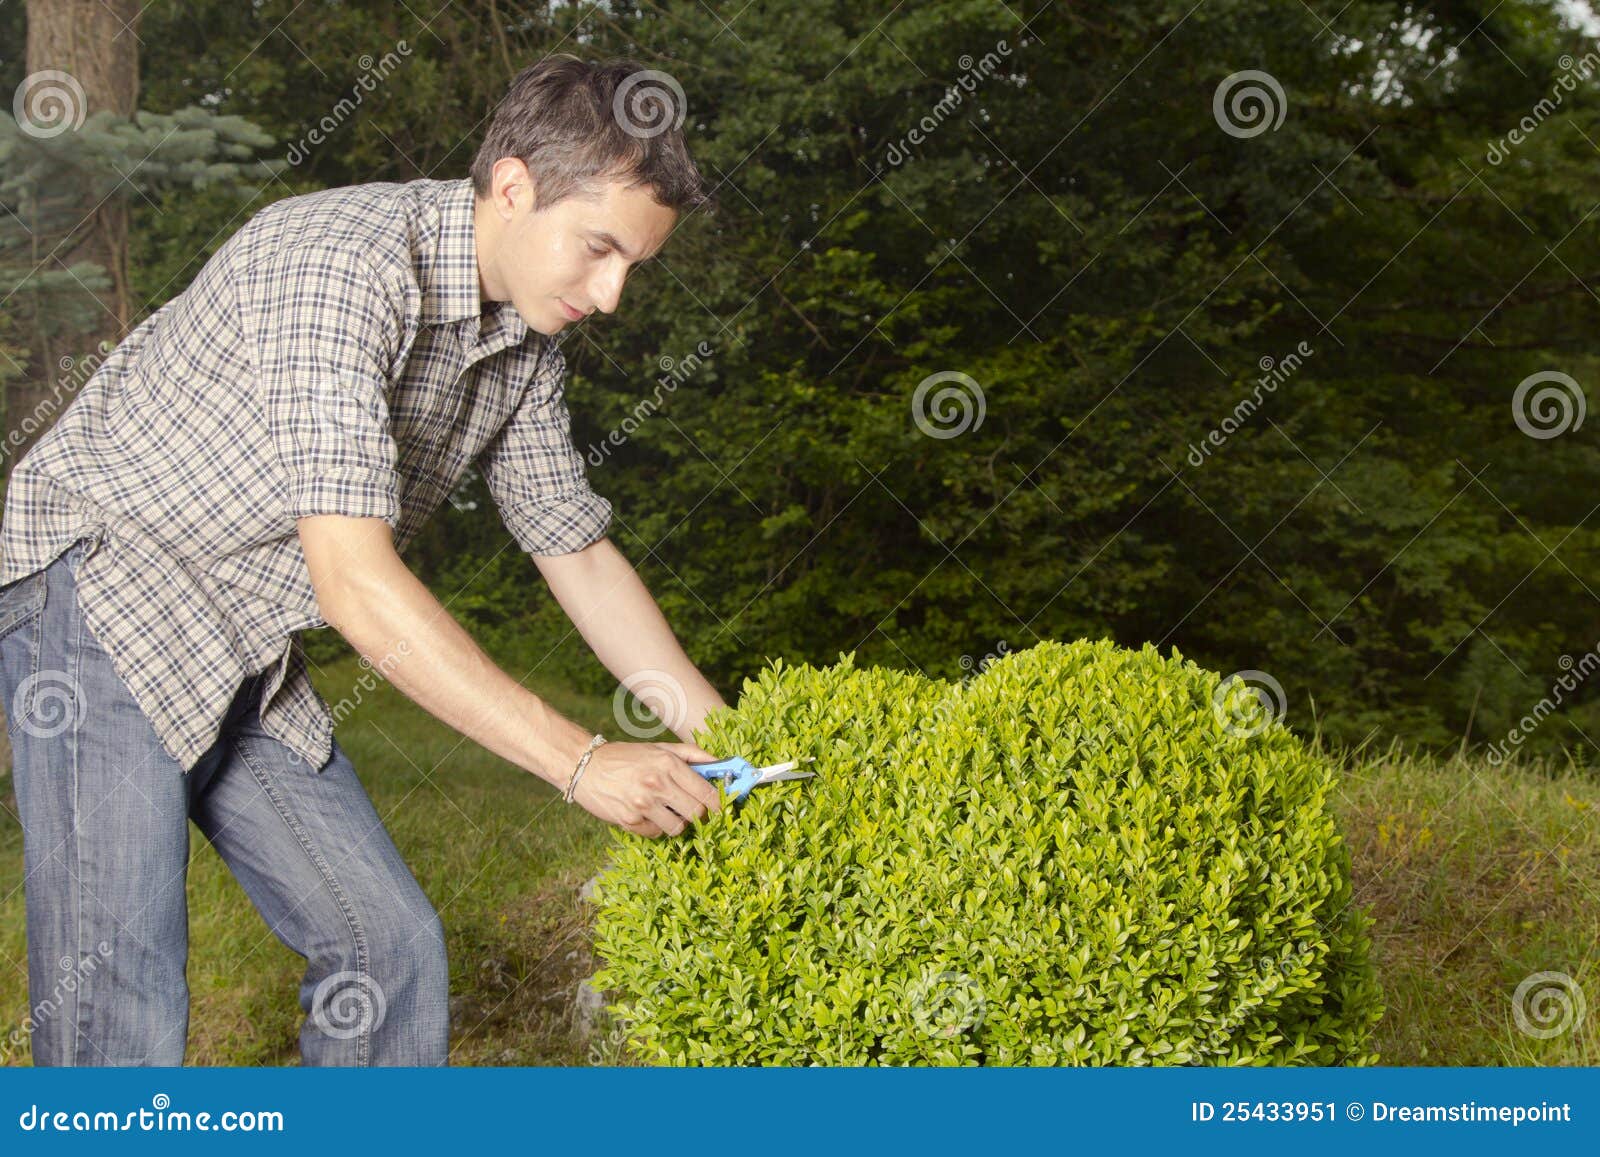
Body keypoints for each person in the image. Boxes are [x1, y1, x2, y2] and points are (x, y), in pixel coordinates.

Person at [0, 54, 727, 1068]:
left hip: (242, 629)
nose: (610, 295)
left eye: (631, 268)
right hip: (103, 582)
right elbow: (353, 579)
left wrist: (730, 732)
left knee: (386, 945)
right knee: (118, 978)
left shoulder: (523, 344)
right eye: (598, 249)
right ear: (513, 186)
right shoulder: (338, 264)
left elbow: (575, 544)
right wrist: (578, 759)